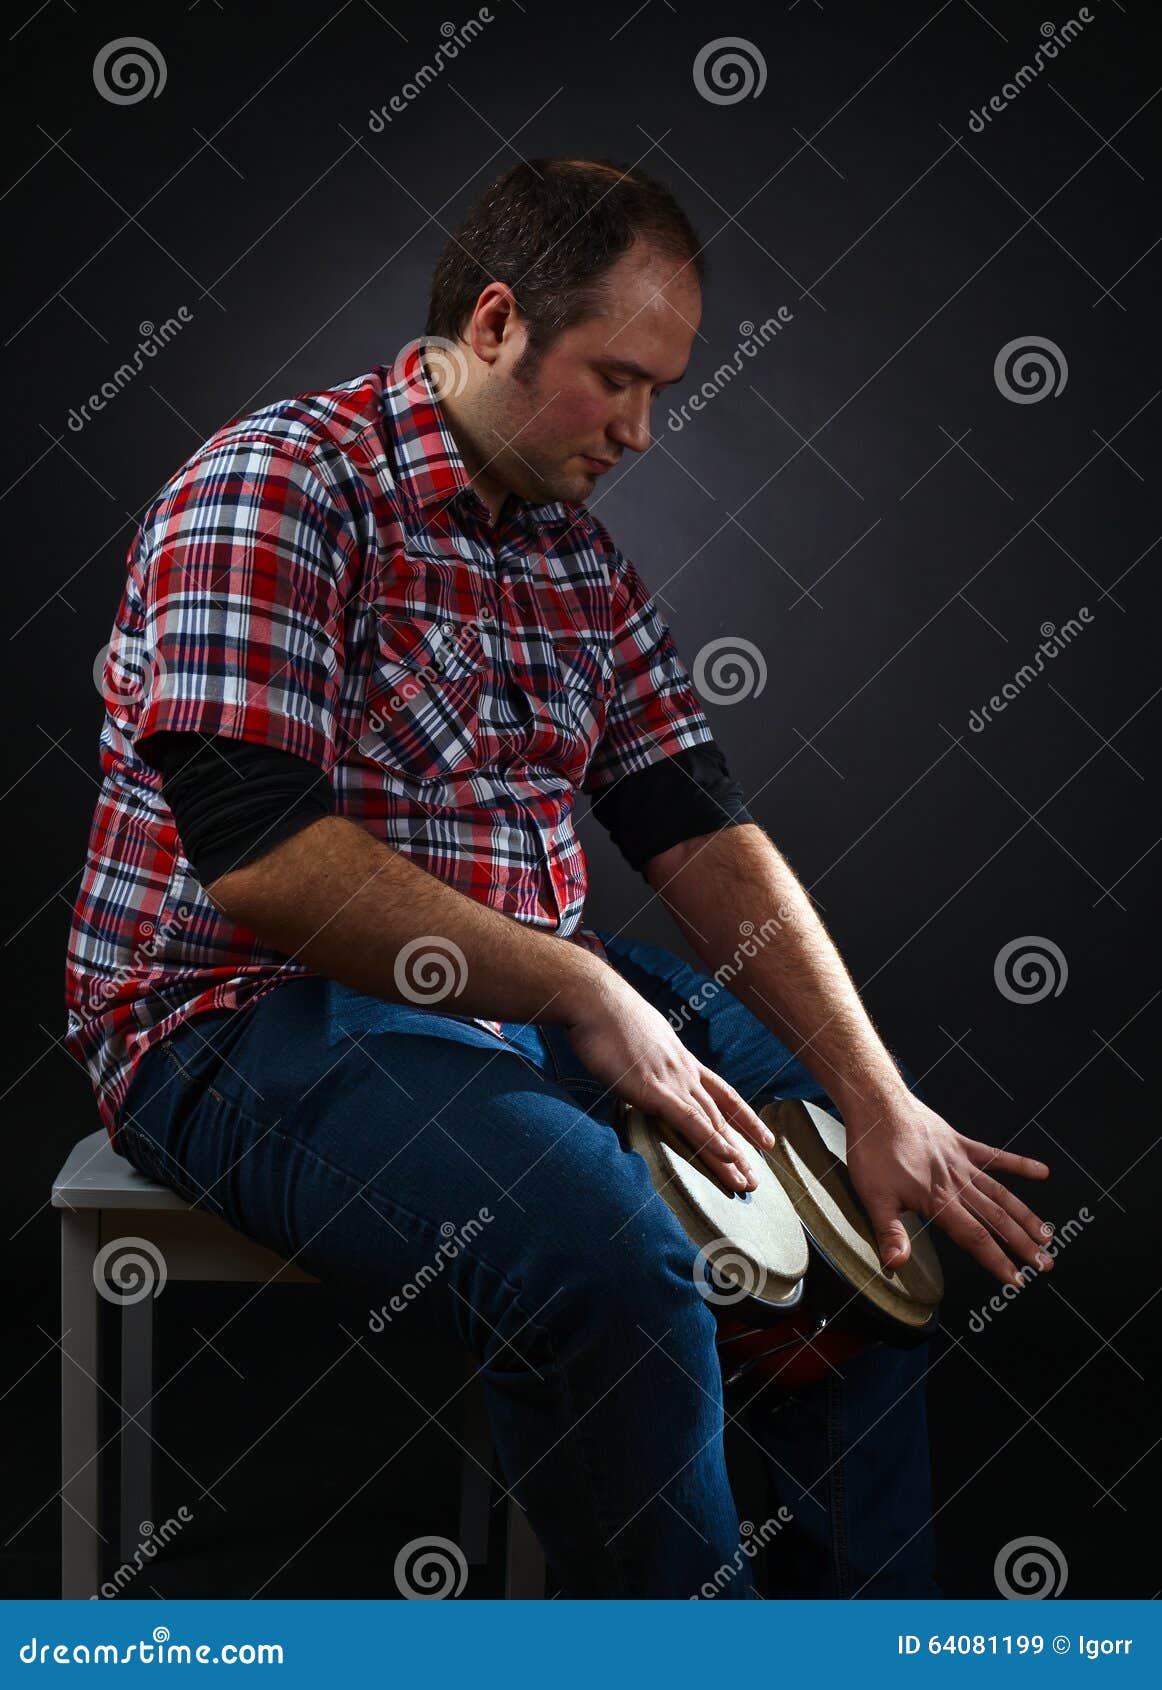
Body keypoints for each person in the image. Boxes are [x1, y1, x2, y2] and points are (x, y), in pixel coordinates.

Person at [63, 157, 1053, 1599]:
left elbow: (698, 829)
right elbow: (262, 862)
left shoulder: (574, 564)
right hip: (234, 1015)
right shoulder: (273, 483)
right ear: (494, 321)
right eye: (616, 378)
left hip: (510, 1000)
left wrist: (874, 1089)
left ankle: (855, 1635)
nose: (645, 431)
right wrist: (580, 985)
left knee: (853, 1197)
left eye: (666, 388)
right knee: (606, 1246)